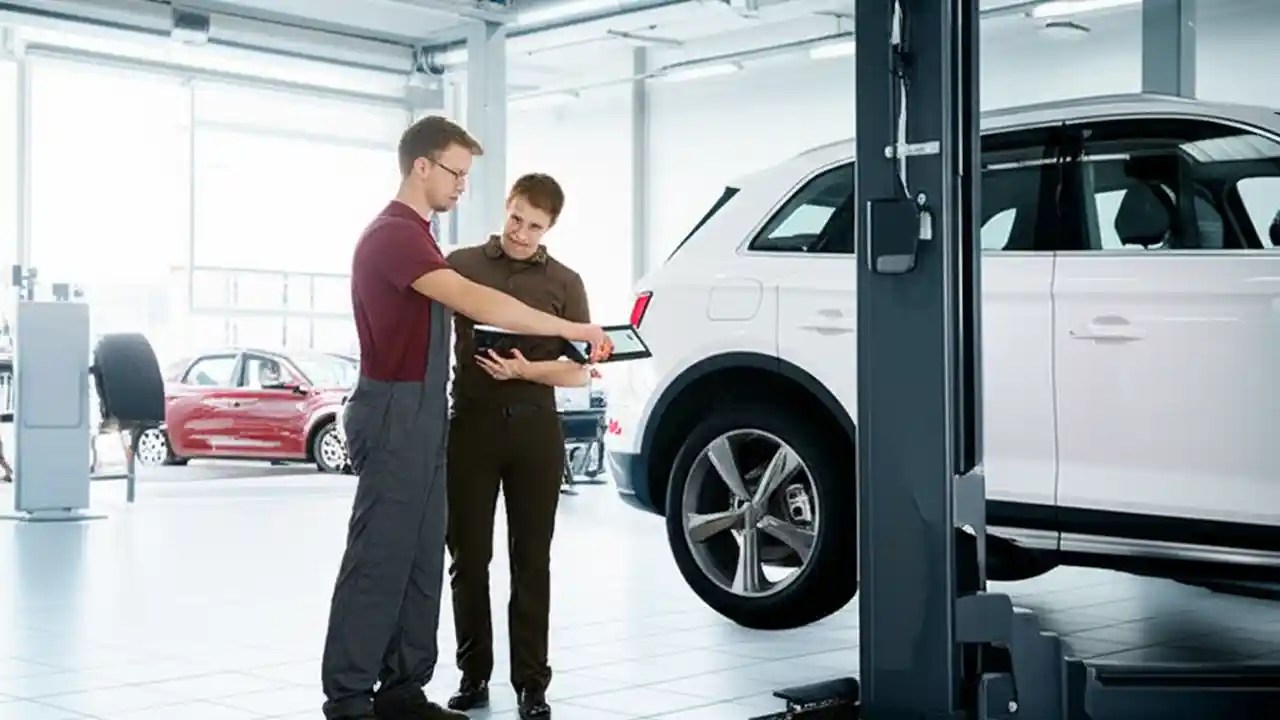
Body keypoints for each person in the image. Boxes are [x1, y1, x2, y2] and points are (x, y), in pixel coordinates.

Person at [319, 119, 610, 720]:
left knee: (423, 559)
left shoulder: (421, 237)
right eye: (456, 173)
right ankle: (349, 697)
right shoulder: (393, 236)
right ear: (421, 166)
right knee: (380, 559)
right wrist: (568, 329)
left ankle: (403, 688)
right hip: (397, 407)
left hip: (428, 413)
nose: (461, 187)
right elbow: (480, 302)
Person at [443, 174, 591, 720]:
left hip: (535, 430)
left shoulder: (566, 282)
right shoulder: (460, 265)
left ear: (551, 227)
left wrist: (527, 369)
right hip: (472, 428)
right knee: (469, 558)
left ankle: (532, 683)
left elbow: (579, 374)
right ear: (506, 207)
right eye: (517, 218)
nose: (522, 233)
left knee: (532, 561)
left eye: (536, 226)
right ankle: (472, 675)